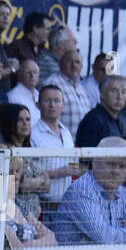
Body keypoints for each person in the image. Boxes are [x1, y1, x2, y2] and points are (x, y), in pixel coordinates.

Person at [30, 83, 81, 212]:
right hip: (43, 205)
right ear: (38, 105)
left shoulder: (66, 132)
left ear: (63, 105)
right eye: (47, 101)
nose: (52, 105)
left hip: (67, 204)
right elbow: (28, 173)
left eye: (57, 101)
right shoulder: (32, 134)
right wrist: (59, 172)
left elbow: (74, 164)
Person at [76, 76, 126, 147]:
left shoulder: (118, 120)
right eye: (114, 91)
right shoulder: (94, 120)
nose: (119, 97)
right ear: (102, 93)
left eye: (124, 92)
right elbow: (87, 155)